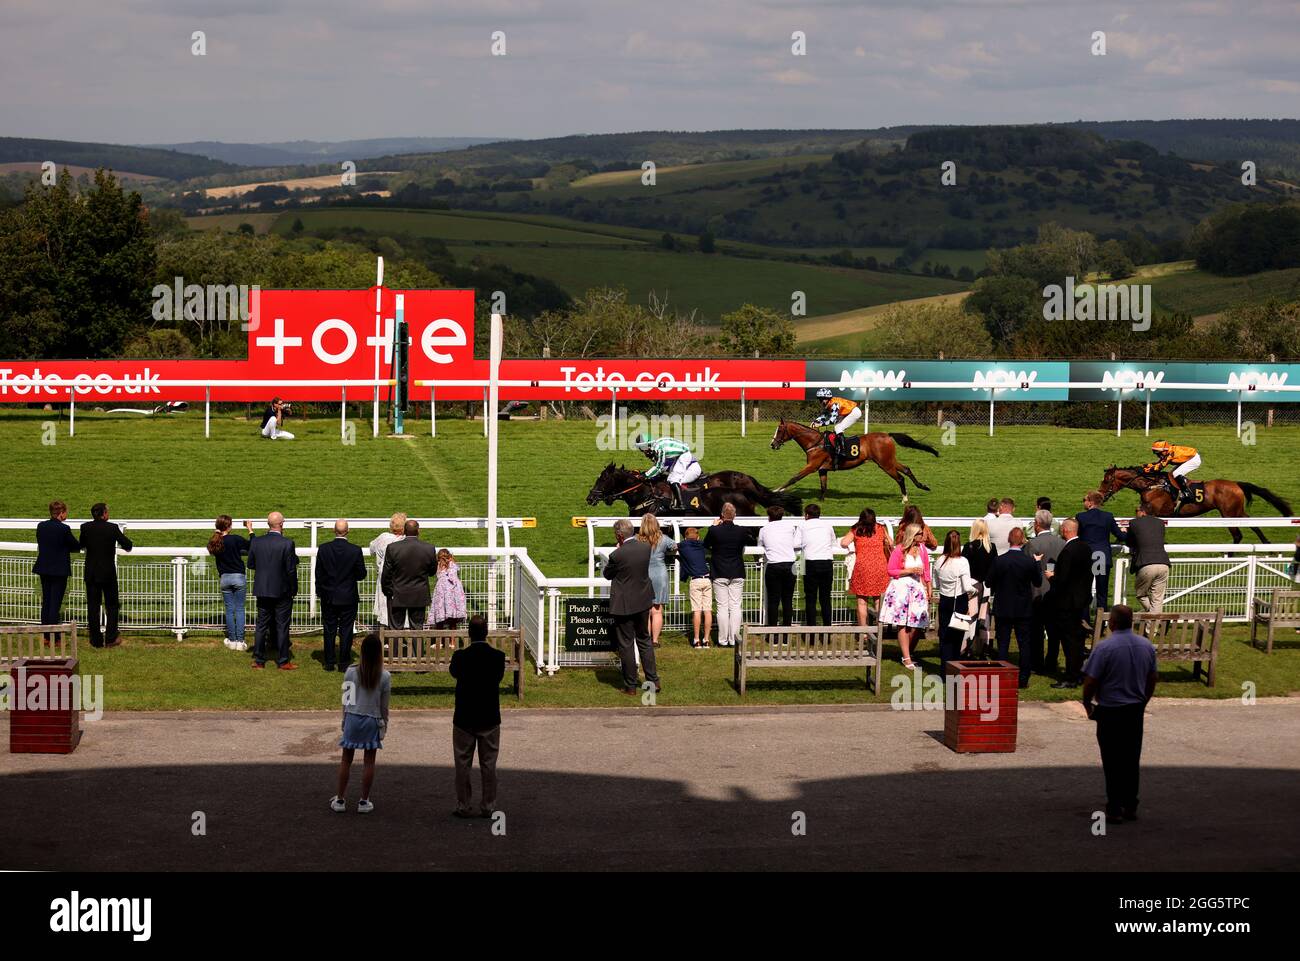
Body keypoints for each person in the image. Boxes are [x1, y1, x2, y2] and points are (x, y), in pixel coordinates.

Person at [1082, 604, 1158, 823]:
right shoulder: (1146, 646)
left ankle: (1114, 806)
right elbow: (1152, 678)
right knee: (1131, 757)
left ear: (1111, 623)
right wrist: (1144, 700)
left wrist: (1087, 702)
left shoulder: (1105, 648)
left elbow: (1091, 680)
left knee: (1112, 759)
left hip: (1110, 709)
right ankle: (1131, 803)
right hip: (1134, 708)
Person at [449, 614, 505, 818]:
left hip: (464, 716)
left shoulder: (460, 657)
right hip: (489, 716)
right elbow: (498, 678)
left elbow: (453, 673)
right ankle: (488, 805)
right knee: (489, 764)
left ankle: (463, 804)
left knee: (462, 763)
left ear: (469, 634)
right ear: (487, 632)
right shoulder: (497, 657)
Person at [331, 631, 390, 814]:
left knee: (346, 759)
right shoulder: (385, 676)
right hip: (372, 720)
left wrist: (344, 721)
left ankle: (340, 799)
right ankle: (364, 801)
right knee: (369, 761)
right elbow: (384, 707)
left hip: (352, 718)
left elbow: (346, 701)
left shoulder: (350, 672)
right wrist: (384, 726)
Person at [604, 518, 659, 694]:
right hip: (643, 601)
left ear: (619, 536)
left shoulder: (617, 555)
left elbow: (608, 574)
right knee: (644, 640)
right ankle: (653, 681)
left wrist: (617, 551)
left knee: (626, 644)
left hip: (624, 604)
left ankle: (631, 685)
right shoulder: (646, 548)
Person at [986, 527, 1042, 688]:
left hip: (1003, 607)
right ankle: (1023, 679)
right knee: (1024, 644)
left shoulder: (1000, 560)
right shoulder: (1028, 561)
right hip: (1023, 608)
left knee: (1002, 644)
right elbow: (1038, 582)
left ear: (1009, 540)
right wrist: (1037, 563)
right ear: (1022, 540)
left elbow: (989, 582)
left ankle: (1002, 677)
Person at [1046, 518, 1095, 688]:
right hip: (1081, 600)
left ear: (1066, 530)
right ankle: (1078, 673)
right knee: (1077, 639)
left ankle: (1071, 676)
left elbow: (1062, 580)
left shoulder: (1068, 551)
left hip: (1067, 602)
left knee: (1069, 641)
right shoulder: (1085, 547)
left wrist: (1051, 577)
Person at [247, 511, 298, 670]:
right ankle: (283, 661)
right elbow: (290, 570)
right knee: (282, 625)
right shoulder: (287, 543)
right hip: (282, 590)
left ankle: (259, 660)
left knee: (261, 625)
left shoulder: (257, 542)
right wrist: (293, 588)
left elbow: (250, 564)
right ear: (281, 524)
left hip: (263, 589)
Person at [316, 519, 368, 671]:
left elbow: (319, 573)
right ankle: (344, 662)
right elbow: (361, 574)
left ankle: (329, 662)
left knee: (329, 629)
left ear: (334, 530)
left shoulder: (324, 549)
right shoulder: (355, 550)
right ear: (348, 531)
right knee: (346, 629)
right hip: (348, 596)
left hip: (329, 595)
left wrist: (320, 591)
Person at [79, 502, 133, 649]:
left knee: (93, 607)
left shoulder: (85, 527)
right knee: (112, 606)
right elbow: (128, 544)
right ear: (104, 514)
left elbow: (81, 544)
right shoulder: (112, 528)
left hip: (91, 573)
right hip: (108, 573)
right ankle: (110, 638)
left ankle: (95, 640)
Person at [881, 523, 931, 669]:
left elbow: (926, 570)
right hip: (901, 589)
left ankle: (907, 651)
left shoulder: (922, 549)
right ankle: (906, 657)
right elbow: (891, 570)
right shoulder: (900, 549)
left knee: (917, 623)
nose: (923, 536)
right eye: (920, 534)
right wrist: (909, 570)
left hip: (916, 589)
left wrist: (928, 586)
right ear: (913, 535)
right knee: (902, 623)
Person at [704, 503, 754, 647]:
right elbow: (751, 540)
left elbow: (706, 544)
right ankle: (734, 639)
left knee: (722, 607)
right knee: (735, 606)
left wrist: (713, 526)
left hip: (719, 571)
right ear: (734, 516)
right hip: (737, 571)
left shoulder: (715, 531)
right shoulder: (741, 531)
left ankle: (722, 639)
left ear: (721, 515)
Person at [380, 519, 439, 629]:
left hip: (397, 594)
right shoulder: (429, 548)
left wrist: (388, 591)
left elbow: (386, 573)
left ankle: (396, 647)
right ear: (418, 531)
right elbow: (432, 572)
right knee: (417, 628)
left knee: (395, 629)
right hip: (419, 594)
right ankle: (416, 647)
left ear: (404, 531)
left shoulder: (393, 548)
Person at [1027, 509, 1066, 674]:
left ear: (1037, 525)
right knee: (1053, 630)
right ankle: (1051, 662)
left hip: (1036, 591)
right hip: (1055, 590)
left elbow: (1028, 569)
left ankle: (1037, 663)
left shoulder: (1032, 544)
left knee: (1036, 630)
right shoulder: (1062, 543)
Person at [207, 515, 254, 651]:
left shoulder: (215, 541)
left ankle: (232, 640)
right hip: (238, 577)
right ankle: (240, 641)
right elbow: (252, 545)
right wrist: (250, 530)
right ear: (229, 526)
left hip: (225, 579)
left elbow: (210, 546)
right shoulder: (235, 539)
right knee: (239, 609)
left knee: (229, 610)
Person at [934, 530, 976, 679]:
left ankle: (944, 671)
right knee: (957, 638)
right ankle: (953, 671)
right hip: (959, 601)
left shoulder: (939, 561)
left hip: (945, 600)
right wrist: (974, 590)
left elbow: (936, 584)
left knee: (945, 637)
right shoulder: (962, 561)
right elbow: (967, 586)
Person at [840, 509, 891, 626]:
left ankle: (864, 631)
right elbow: (891, 542)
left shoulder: (856, 529)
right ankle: (879, 629)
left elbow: (844, 543)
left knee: (862, 602)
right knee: (878, 600)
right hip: (880, 566)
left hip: (862, 567)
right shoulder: (880, 528)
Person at [34, 500, 80, 630]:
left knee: (47, 602)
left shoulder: (41, 526)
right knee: (55, 604)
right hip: (59, 570)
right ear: (61, 513)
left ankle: (45, 634)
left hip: (44, 568)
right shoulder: (64, 528)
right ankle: (53, 635)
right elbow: (75, 545)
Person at [1077, 491, 1125, 613]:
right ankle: (1101, 622)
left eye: (1084, 499)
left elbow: (1077, 535)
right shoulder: (1108, 516)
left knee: (1084, 590)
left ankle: (1084, 621)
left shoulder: (1081, 516)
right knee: (1102, 591)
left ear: (1090, 502)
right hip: (1102, 557)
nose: (1083, 502)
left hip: (1087, 557)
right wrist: (1126, 532)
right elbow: (1120, 534)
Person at [633, 433, 701, 510]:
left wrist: (645, 475)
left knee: (673, 480)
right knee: (669, 479)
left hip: (688, 462)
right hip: (682, 457)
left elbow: (659, 467)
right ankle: (676, 503)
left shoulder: (658, 448)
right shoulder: (656, 446)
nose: (642, 451)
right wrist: (646, 474)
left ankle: (681, 505)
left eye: (642, 448)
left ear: (647, 445)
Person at [638, 514, 676, 645]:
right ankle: (655, 640)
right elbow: (675, 546)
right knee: (657, 609)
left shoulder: (637, 539)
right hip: (659, 574)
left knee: (645, 610)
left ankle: (646, 639)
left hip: (643, 574)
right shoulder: (663, 538)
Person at [1125, 504, 1171, 613]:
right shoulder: (1160, 522)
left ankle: (1152, 615)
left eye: (1136, 510)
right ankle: (1152, 629)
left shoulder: (1134, 523)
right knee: (1157, 599)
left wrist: (1125, 532)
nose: (1135, 513)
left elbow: (1129, 542)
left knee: (1141, 594)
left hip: (1146, 563)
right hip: (1164, 563)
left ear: (1142, 512)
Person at [797, 503, 838, 626]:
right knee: (825, 598)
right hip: (826, 562)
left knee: (810, 598)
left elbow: (795, 543)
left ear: (807, 515)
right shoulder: (827, 525)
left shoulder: (802, 526)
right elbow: (833, 542)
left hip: (810, 563)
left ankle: (811, 629)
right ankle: (827, 629)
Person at [758, 505, 798, 628]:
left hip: (773, 565)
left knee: (773, 601)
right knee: (787, 600)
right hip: (790, 565)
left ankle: (772, 632)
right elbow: (795, 543)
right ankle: (786, 632)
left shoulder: (764, 529)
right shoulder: (790, 527)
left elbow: (760, 545)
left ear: (769, 516)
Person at [962, 519, 997, 656]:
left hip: (972, 585)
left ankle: (967, 647)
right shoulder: (992, 547)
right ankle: (984, 646)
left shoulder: (969, 547)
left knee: (970, 617)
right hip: (987, 586)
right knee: (984, 618)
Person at [368, 513, 407, 628]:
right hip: (400, 577)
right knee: (399, 607)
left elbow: (371, 548)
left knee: (384, 606)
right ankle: (397, 637)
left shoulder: (383, 537)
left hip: (384, 577)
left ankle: (386, 639)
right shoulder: (404, 540)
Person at [678, 527, 712, 648]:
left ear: (686, 537)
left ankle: (697, 640)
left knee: (697, 610)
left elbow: (677, 546)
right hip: (707, 579)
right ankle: (706, 640)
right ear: (698, 537)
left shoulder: (683, 546)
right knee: (707, 610)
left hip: (695, 580)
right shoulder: (701, 545)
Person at [810, 389, 862, 466]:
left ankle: (843, 451)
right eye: (819, 399)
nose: (821, 401)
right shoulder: (829, 403)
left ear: (828, 398)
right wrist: (814, 422)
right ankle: (837, 448)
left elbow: (832, 420)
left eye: (822, 399)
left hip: (854, 412)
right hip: (847, 413)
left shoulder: (834, 404)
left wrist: (819, 424)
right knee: (836, 429)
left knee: (838, 428)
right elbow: (824, 415)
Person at [1145, 439, 1201, 508]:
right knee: (1171, 474)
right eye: (1156, 453)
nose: (1157, 455)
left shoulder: (1170, 454)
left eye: (1159, 453)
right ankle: (1177, 491)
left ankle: (1187, 493)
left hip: (1194, 459)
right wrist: (1146, 466)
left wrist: (1148, 470)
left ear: (1164, 450)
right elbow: (1158, 463)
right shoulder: (1167, 452)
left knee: (1176, 473)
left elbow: (1160, 467)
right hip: (1188, 458)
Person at [428, 549, 468, 629]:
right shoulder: (452, 565)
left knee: (440, 618)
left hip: (441, 591)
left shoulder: (438, 565)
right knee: (452, 619)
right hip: (452, 592)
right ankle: (452, 641)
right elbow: (453, 577)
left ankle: (440, 640)